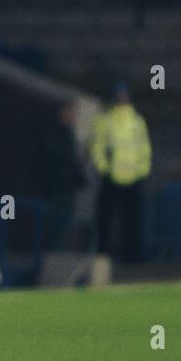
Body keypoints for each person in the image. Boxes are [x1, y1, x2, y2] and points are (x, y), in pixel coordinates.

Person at [90, 83, 151, 263]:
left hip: (134, 177)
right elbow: (98, 147)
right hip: (112, 177)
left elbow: (144, 147)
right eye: (119, 95)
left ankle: (132, 256)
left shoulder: (137, 121)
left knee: (132, 219)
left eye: (124, 95)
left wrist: (142, 169)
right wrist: (104, 169)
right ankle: (103, 256)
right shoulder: (105, 120)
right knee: (106, 218)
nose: (122, 99)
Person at [35, 99, 86, 250]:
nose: (73, 117)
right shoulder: (53, 132)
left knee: (63, 224)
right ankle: (51, 254)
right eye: (71, 113)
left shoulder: (68, 134)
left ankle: (58, 252)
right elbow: (55, 159)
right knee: (54, 224)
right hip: (54, 188)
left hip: (65, 187)